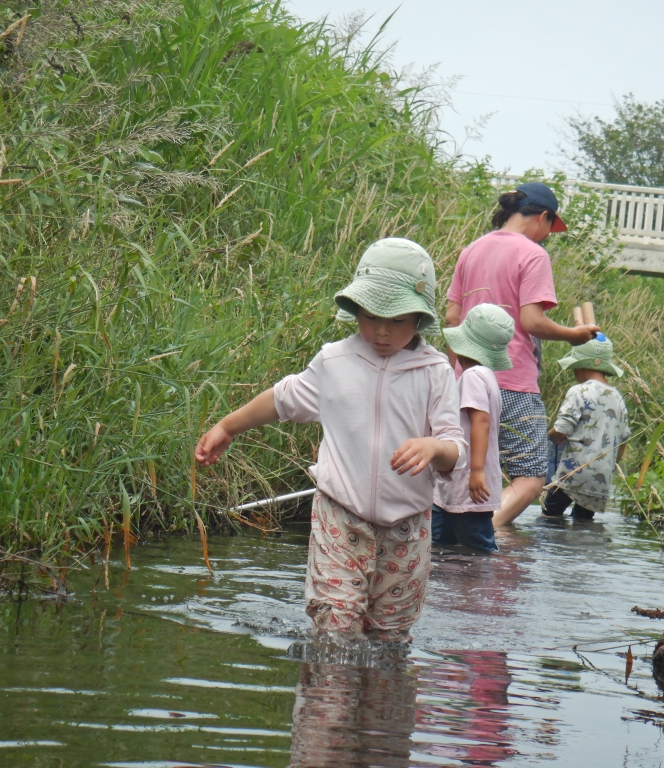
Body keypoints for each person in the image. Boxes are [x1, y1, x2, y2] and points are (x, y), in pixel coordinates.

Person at [195, 237, 467, 643]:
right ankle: (328, 701)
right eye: (371, 315)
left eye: (396, 320)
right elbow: (282, 399)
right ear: (355, 308)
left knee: (389, 636)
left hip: (407, 525)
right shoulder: (334, 361)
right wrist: (228, 427)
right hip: (341, 514)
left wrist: (434, 448)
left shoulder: (435, 371)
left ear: (419, 317)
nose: (380, 330)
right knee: (336, 622)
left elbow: (453, 449)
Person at [445, 182, 599, 528]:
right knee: (529, 478)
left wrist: (455, 372)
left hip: (464, 379)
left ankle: (450, 541)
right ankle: (486, 532)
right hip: (512, 380)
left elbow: (452, 319)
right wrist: (573, 335)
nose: (546, 236)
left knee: (463, 469)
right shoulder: (532, 254)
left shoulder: (471, 249)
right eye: (549, 228)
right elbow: (531, 321)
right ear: (543, 217)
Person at [432, 303, 515, 552]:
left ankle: (481, 588)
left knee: (479, 549)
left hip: (469, 484)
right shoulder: (484, 375)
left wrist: (476, 470)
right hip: (455, 486)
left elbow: (481, 421)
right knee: (439, 544)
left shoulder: (473, 377)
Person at [545, 335, 630, 520]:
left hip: (572, 473)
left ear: (581, 366)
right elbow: (623, 441)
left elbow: (562, 429)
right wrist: (610, 466)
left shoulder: (579, 391)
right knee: (583, 523)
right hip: (601, 478)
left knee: (549, 516)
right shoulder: (618, 397)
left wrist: (551, 435)